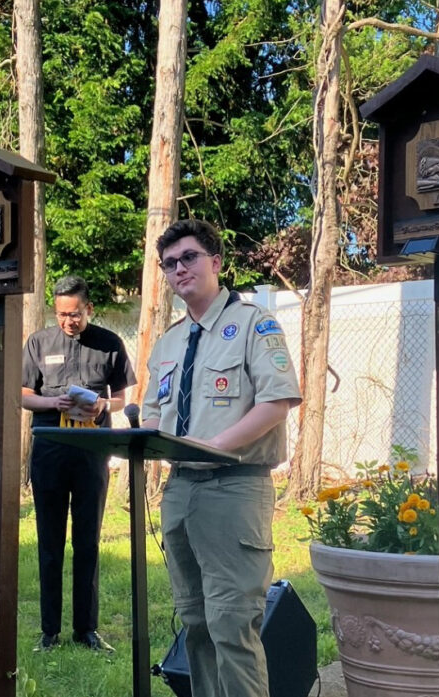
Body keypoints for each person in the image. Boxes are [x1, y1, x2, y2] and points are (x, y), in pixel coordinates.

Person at [141, 219, 302, 697]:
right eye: (169, 264)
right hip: (181, 491)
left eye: (188, 258)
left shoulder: (254, 323)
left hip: (234, 487)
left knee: (232, 623)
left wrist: (214, 446)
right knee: (194, 620)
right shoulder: (169, 342)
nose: (178, 270)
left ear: (216, 262)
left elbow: (278, 401)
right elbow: (151, 418)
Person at [21, 275, 136, 652]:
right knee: (50, 542)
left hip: (91, 451)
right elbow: (23, 395)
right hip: (50, 448)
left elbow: (121, 398)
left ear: (88, 308)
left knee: (87, 540)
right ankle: (49, 631)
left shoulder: (109, 344)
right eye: (61, 314)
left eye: (74, 314)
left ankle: (86, 629)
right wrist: (52, 403)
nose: (68, 321)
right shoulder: (38, 342)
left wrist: (104, 405)